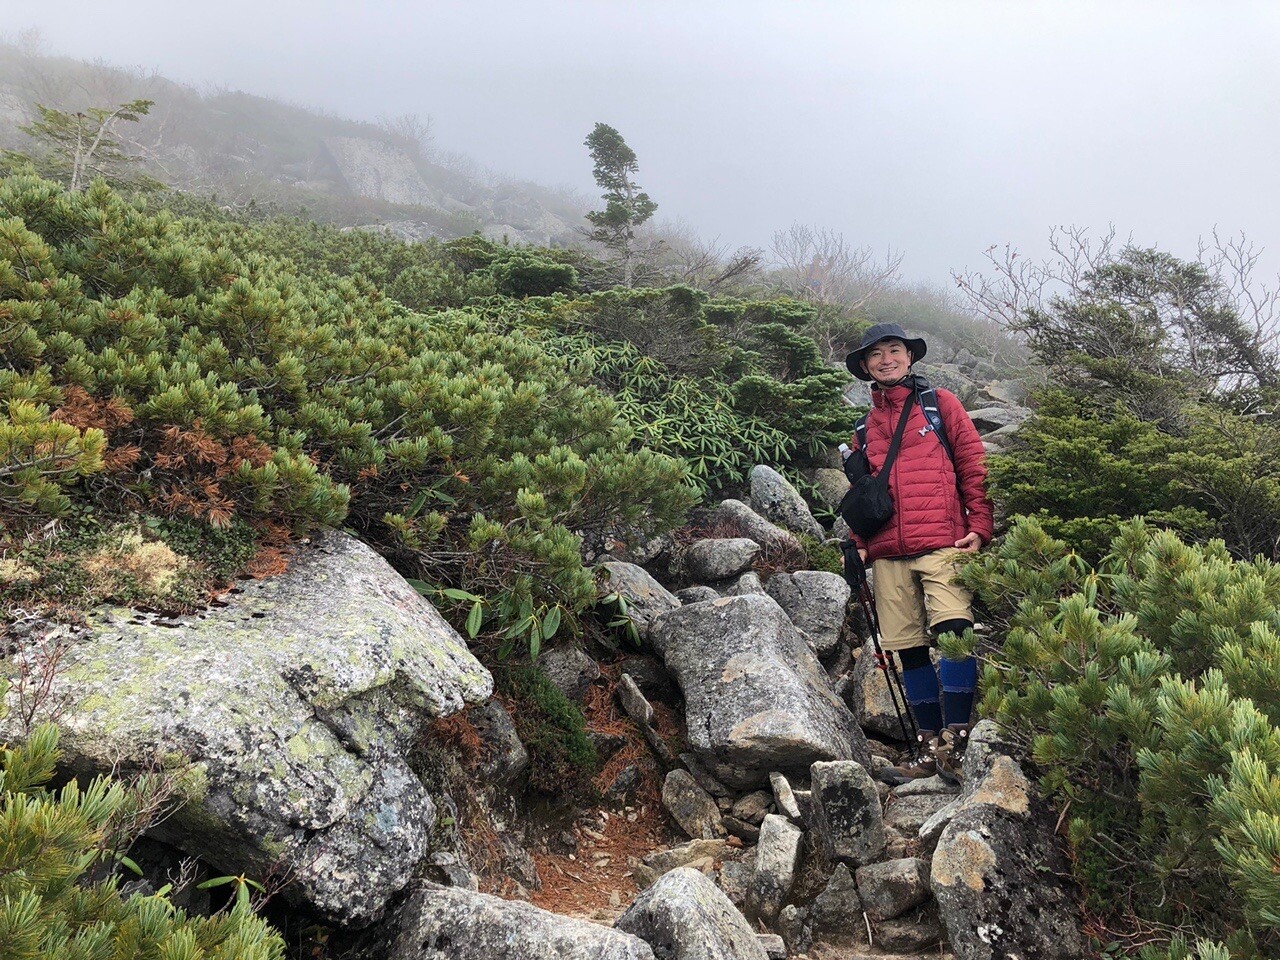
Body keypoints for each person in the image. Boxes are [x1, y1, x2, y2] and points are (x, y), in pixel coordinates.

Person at [844, 323, 994, 783]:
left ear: (910, 358)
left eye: (895, 351)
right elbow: (863, 495)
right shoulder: (863, 429)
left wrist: (981, 525)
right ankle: (930, 748)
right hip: (887, 553)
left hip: (944, 543)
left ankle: (958, 741)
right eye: (876, 355)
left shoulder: (940, 404)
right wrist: (860, 545)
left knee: (954, 634)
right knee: (908, 650)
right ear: (867, 367)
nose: (886, 359)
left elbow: (973, 464)